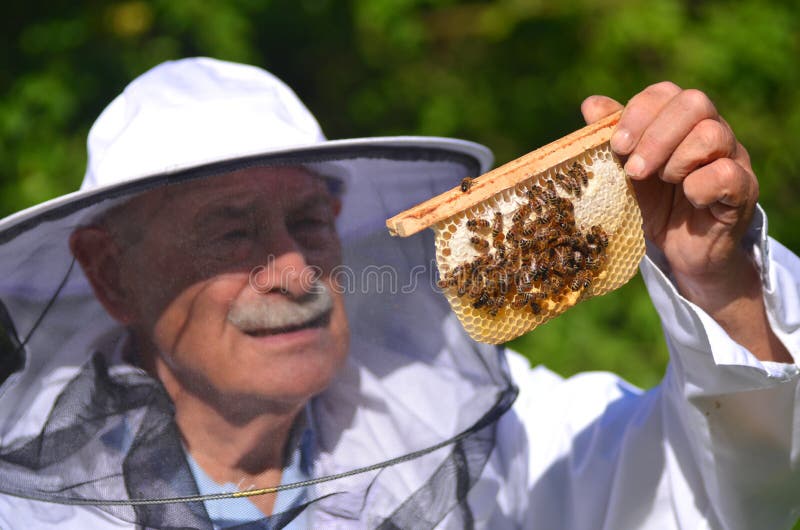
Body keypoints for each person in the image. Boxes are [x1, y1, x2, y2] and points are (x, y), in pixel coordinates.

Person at [0, 57, 797, 529]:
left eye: (309, 219)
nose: (292, 270)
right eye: (230, 231)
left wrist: (720, 286)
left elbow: (714, 493)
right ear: (111, 274)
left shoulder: (463, 419)